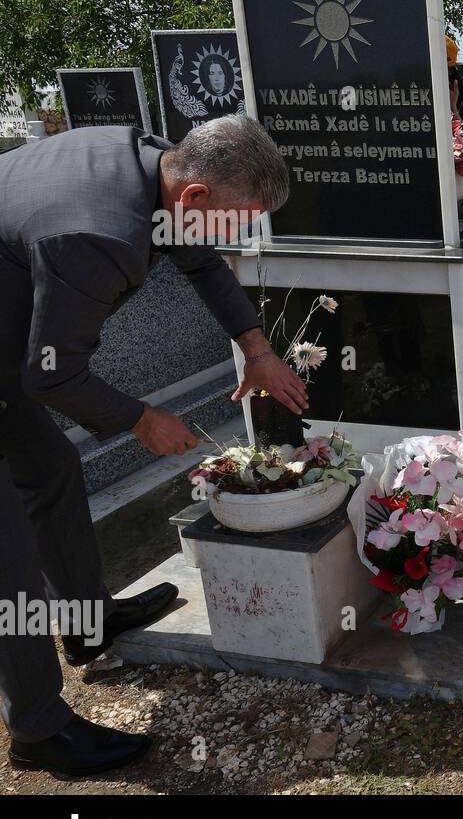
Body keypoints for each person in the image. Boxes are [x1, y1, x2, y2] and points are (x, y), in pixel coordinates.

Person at [0, 114, 303, 775]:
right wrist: (143, 419)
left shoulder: (163, 168)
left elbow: (199, 260)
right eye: (241, 221)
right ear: (195, 197)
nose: (241, 237)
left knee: (49, 469)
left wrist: (257, 349)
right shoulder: (97, 231)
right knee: (9, 551)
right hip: (14, 350)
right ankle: (38, 731)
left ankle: (87, 623)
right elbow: (52, 373)